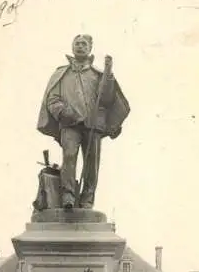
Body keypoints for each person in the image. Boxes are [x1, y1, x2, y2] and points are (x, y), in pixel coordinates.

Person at [37, 34, 130, 209]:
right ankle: (68, 196)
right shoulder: (62, 74)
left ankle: (87, 199)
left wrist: (108, 72)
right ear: (72, 47)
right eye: (77, 44)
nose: (80, 46)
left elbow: (107, 98)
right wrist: (66, 113)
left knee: (92, 163)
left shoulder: (98, 75)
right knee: (69, 157)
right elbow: (53, 99)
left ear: (90, 48)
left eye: (84, 44)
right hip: (70, 124)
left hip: (93, 125)